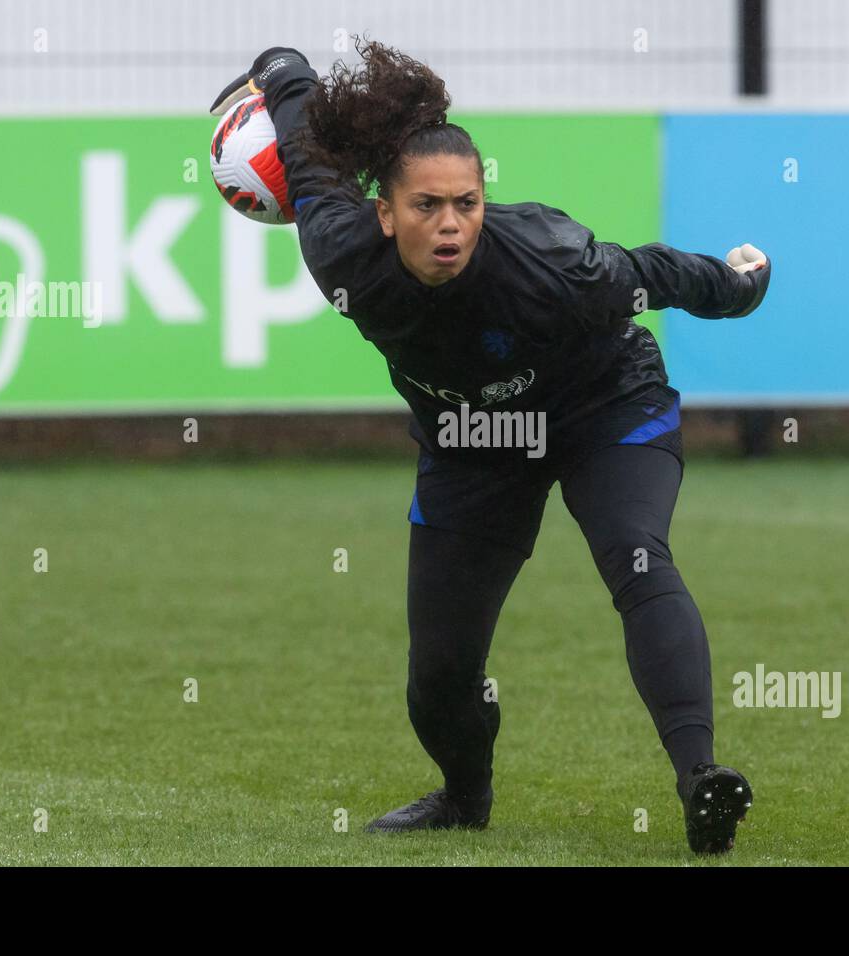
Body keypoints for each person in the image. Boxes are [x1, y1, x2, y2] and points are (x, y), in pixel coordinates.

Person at [210, 37, 771, 854]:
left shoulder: (552, 263)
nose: (449, 225)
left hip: (602, 407)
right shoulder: (339, 250)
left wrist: (739, 288)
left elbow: (654, 272)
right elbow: (304, 146)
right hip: (472, 442)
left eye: (466, 204)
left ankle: (702, 783)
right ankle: (464, 799)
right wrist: (284, 66)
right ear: (384, 214)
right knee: (438, 678)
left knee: (637, 556)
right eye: (427, 206)